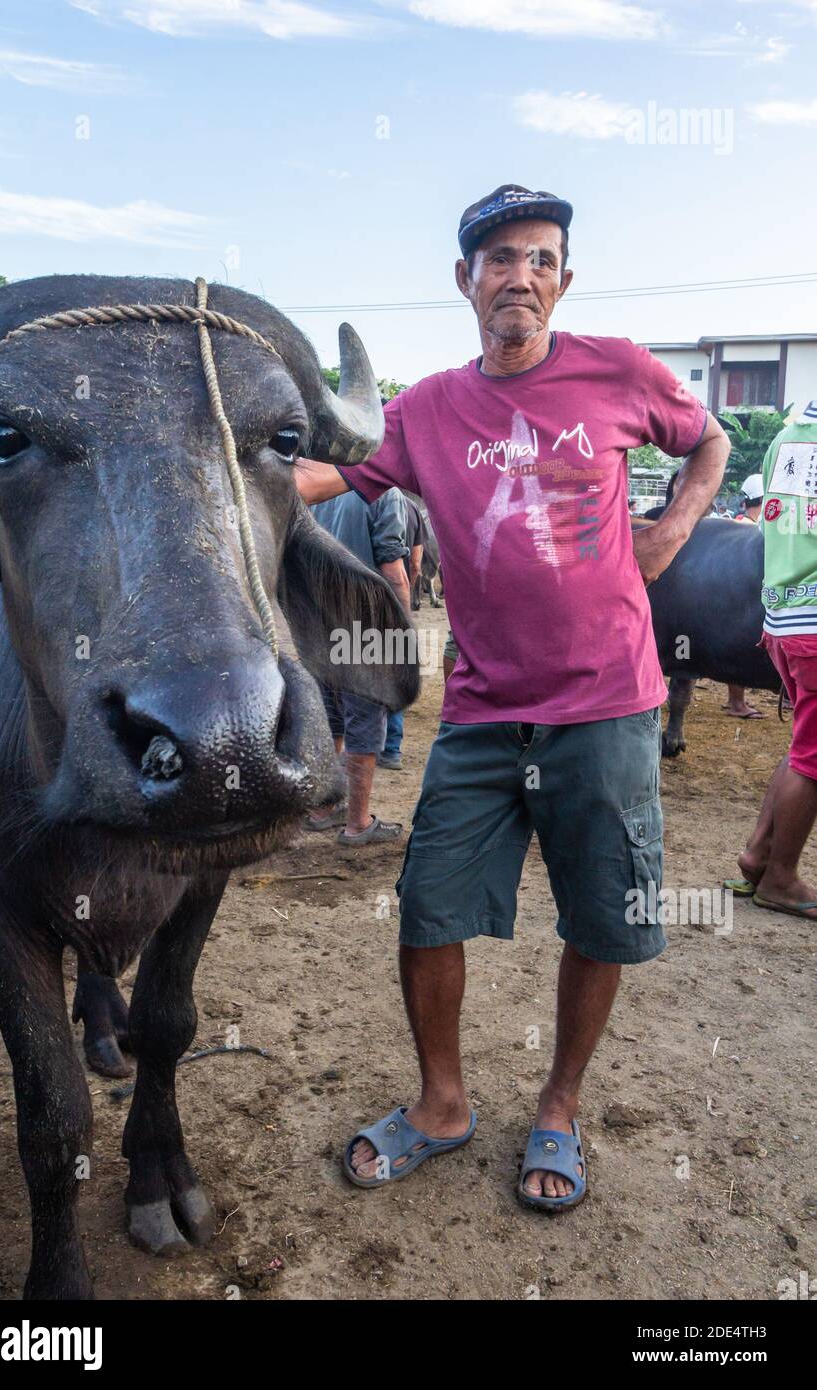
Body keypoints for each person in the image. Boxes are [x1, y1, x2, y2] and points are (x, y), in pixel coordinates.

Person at [297, 183, 729, 1208]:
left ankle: (559, 1108)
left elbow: (706, 439)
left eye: (540, 259)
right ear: (464, 280)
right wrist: (234, 457)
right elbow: (319, 475)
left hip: (610, 704)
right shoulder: (426, 409)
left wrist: (670, 529)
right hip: (482, 713)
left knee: (599, 918)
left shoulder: (618, 370)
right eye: (498, 259)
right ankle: (441, 1103)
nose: (519, 276)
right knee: (425, 905)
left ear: (564, 279)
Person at [725, 404, 817, 918]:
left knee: (805, 746)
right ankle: (781, 877)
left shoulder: (789, 436)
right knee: (814, 757)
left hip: (784, 615)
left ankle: (759, 855)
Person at [306, 486, 410, 844]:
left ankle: (322, 809)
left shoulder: (318, 488)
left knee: (331, 722)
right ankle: (357, 824)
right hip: (363, 627)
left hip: (320, 626)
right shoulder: (386, 494)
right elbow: (394, 571)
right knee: (363, 727)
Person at [378, 492, 427, 771]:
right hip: (390, 602)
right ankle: (391, 749)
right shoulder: (409, 508)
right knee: (395, 676)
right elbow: (416, 563)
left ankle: (356, 747)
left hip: (345, 606)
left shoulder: (337, 495)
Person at [724, 473, 768, 718]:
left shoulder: (737, 522)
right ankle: (736, 703)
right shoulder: (751, 530)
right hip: (743, 594)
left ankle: (736, 701)